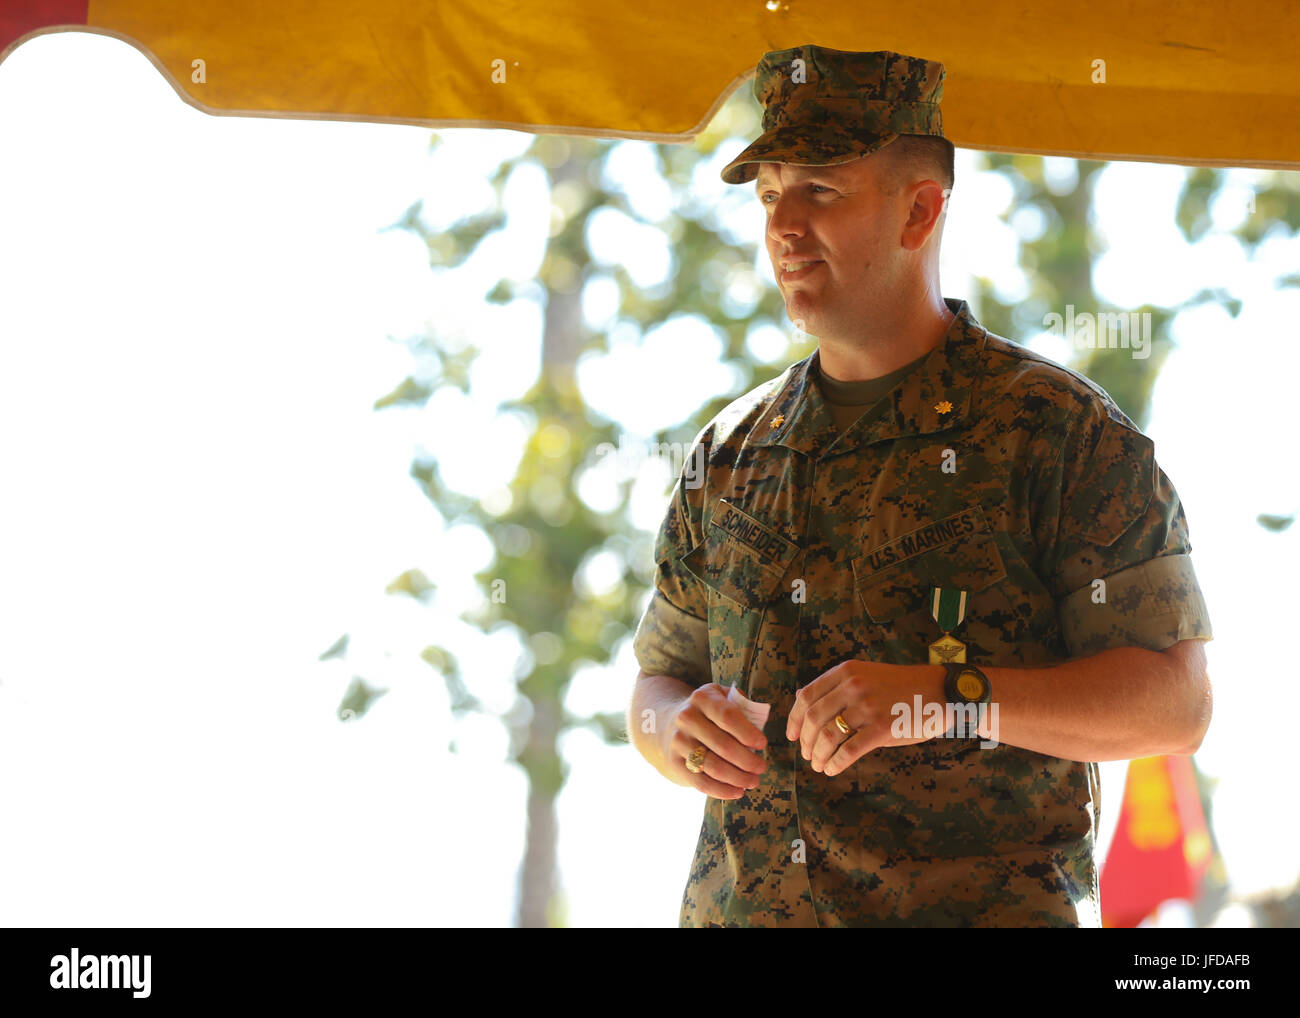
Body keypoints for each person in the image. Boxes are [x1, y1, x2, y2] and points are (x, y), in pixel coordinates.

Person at [625, 44, 1214, 928]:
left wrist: (943, 700)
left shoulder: (1057, 435)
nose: (783, 223)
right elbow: (656, 683)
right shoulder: (730, 457)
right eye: (768, 191)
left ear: (920, 210)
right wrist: (675, 730)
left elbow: (1174, 703)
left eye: (820, 189)